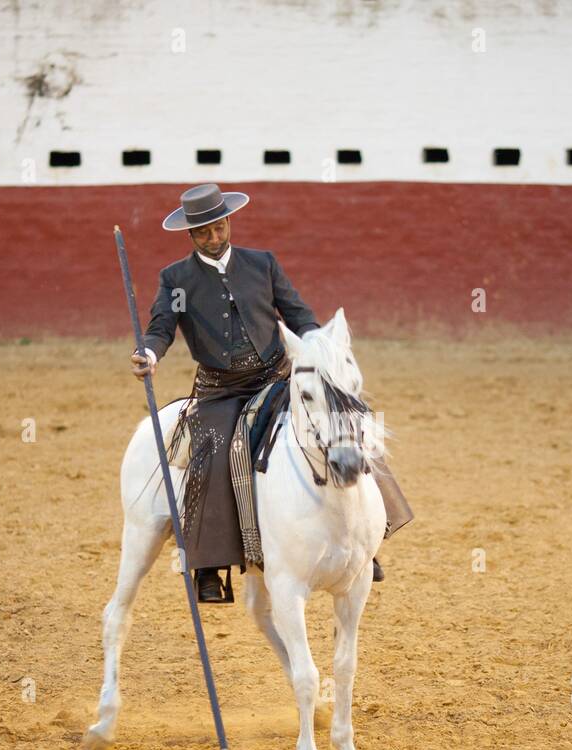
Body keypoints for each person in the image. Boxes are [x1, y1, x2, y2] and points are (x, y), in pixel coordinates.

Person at [131, 183, 413, 602]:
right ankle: (209, 564)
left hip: (275, 377)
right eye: (203, 232)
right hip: (221, 391)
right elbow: (161, 328)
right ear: (190, 235)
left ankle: (368, 540)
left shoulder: (261, 264)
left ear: (229, 221)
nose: (213, 237)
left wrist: (319, 346)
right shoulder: (177, 279)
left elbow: (296, 311)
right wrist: (149, 354)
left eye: (219, 227)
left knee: (343, 421)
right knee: (212, 448)